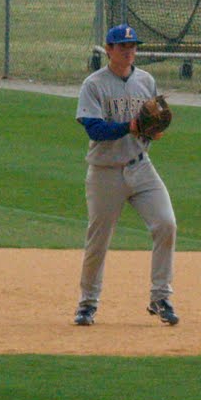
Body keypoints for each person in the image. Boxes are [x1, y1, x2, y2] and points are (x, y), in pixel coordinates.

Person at [73, 23, 178, 327]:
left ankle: (160, 297)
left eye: (133, 46)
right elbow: (94, 128)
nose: (129, 51)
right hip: (105, 172)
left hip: (140, 166)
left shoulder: (146, 80)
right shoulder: (94, 84)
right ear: (109, 50)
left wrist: (154, 130)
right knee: (98, 240)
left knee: (166, 224)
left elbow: (153, 122)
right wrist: (130, 127)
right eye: (122, 46)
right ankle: (87, 304)